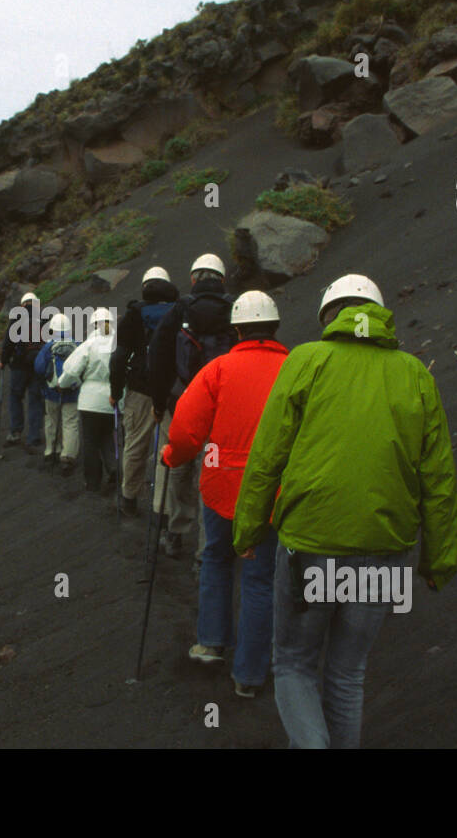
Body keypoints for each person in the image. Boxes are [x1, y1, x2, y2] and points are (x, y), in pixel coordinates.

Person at [233, 274, 457, 748]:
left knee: (294, 663)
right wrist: (438, 560)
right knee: (348, 671)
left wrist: (248, 531)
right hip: (386, 548)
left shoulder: (307, 360)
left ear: (327, 317)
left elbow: (267, 456)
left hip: (310, 543)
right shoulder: (416, 374)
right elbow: (438, 480)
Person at [161, 291, 288, 699]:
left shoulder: (218, 369)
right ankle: (249, 676)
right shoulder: (295, 370)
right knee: (259, 576)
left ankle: (212, 643)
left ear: (236, 329)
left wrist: (171, 455)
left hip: (220, 485)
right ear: (275, 327)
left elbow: (184, 431)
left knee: (216, 558)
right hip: (273, 491)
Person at [147, 253, 236, 561]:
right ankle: (206, 547)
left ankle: (175, 532)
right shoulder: (233, 311)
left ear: (194, 277)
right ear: (221, 279)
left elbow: (158, 358)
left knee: (179, 466)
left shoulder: (180, 309)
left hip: (181, 404)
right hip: (219, 409)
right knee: (209, 471)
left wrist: (160, 403)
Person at [110, 266, 179, 517]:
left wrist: (115, 392)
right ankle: (161, 508)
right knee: (165, 451)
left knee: (135, 445)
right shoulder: (179, 312)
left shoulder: (133, 314)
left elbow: (118, 359)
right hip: (172, 392)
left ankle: (129, 498)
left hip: (140, 389)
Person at [59, 307, 118, 494]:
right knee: (108, 438)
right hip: (113, 400)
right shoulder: (119, 344)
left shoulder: (89, 344)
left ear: (93, 324)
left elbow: (70, 370)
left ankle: (93, 483)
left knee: (91, 442)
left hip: (90, 402)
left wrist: (62, 383)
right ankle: (115, 469)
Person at [34, 312, 80, 475]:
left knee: (51, 420)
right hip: (72, 392)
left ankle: (50, 451)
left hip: (51, 392)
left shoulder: (48, 346)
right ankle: (67, 456)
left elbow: (38, 367)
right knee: (70, 422)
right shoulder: (77, 344)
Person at [0, 291, 45, 453]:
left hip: (19, 365)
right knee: (35, 399)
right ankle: (34, 437)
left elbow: (9, 340)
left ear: (23, 304)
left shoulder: (18, 316)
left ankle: (16, 432)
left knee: (15, 396)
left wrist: (3, 360)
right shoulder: (44, 316)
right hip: (38, 364)